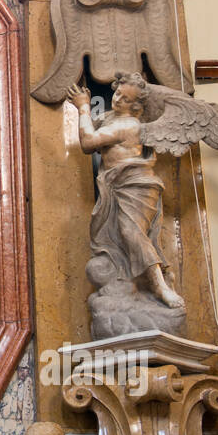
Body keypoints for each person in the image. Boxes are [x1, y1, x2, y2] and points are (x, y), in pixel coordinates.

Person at [68, 76, 184, 309]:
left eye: (125, 98)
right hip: (115, 186)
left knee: (132, 232)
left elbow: (88, 142)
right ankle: (132, 283)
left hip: (137, 185)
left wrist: (83, 107)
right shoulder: (112, 118)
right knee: (118, 238)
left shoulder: (129, 124)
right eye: (118, 93)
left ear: (136, 106)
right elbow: (94, 127)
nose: (118, 99)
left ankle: (161, 287)